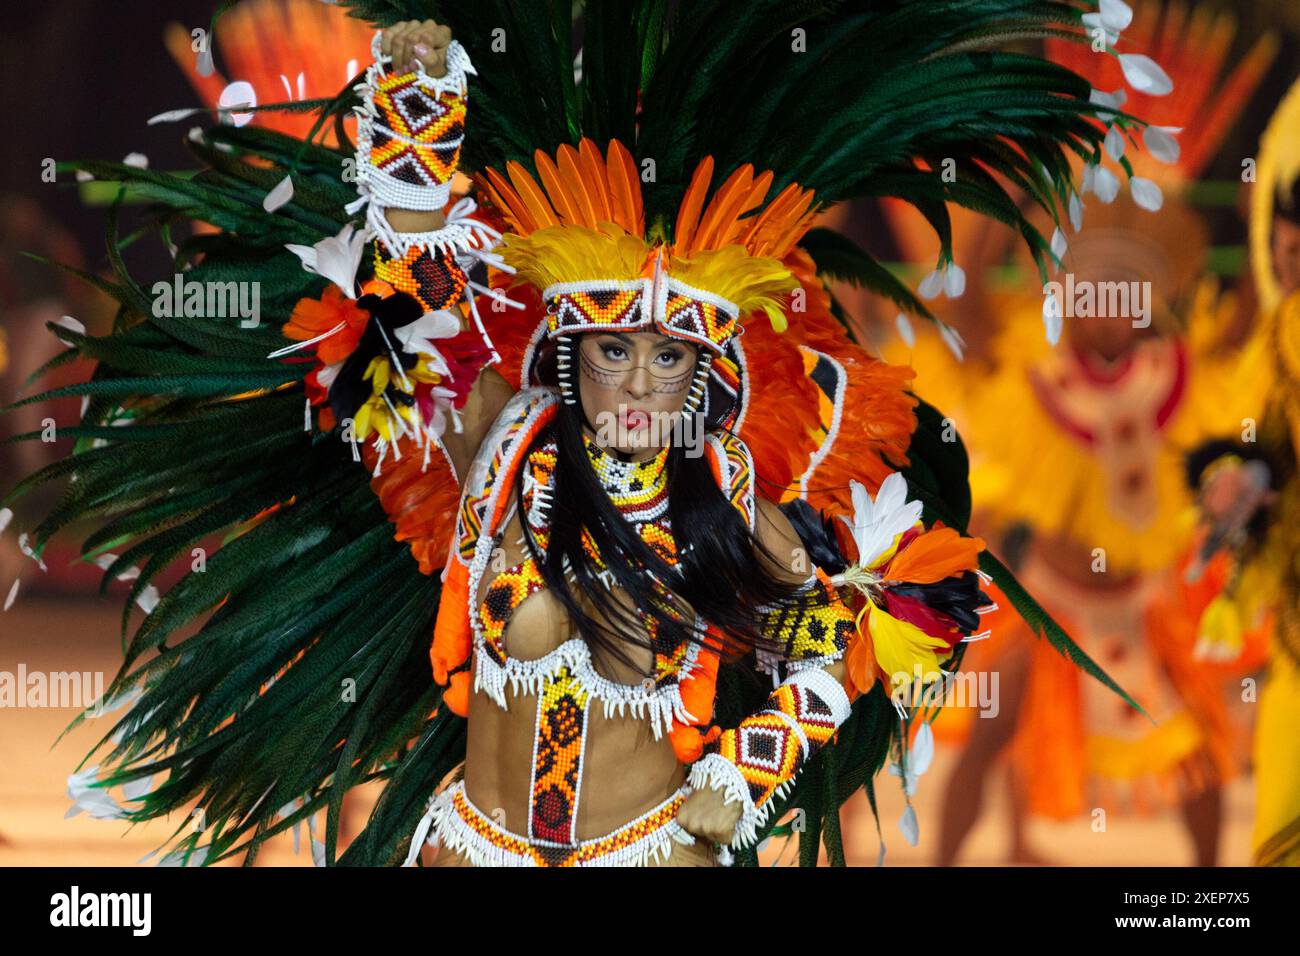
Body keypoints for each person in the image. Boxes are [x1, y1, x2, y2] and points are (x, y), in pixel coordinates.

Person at [7, 2, 1168, 867]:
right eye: (615, 351)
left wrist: (746, 768)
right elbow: (415, 329)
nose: (637, 382)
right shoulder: (498, 459)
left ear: (707, 376)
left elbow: (877, 618)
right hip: (464, 845)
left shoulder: (735, 512)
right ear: (570, 355)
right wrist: (413, 156)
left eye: (669, 358)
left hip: (647, 850)